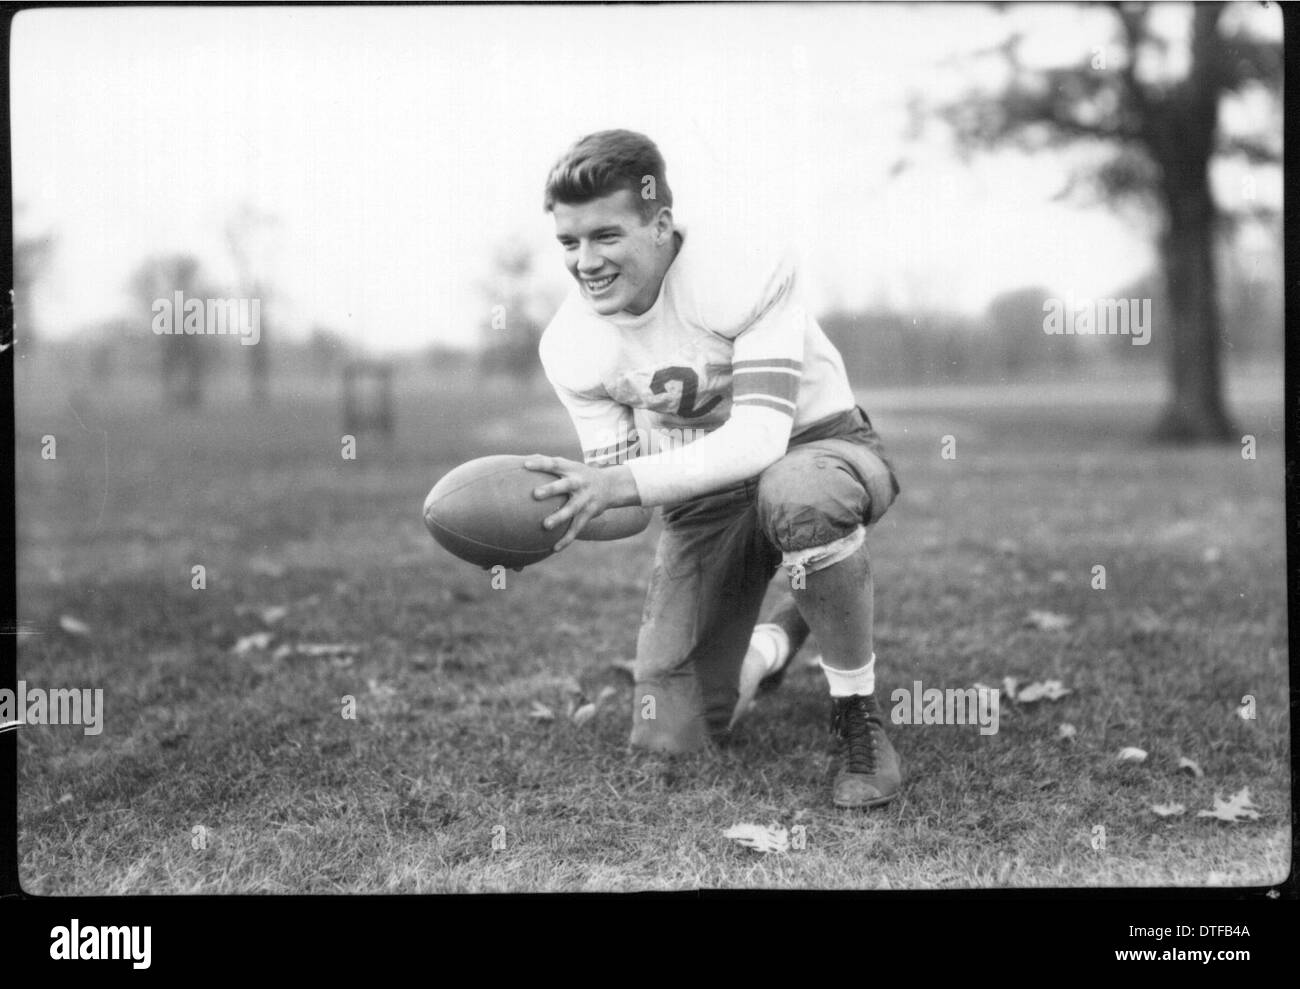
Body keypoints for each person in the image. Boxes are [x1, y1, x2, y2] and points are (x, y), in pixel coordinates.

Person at [523, 130, 902, 808]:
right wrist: (542, 520)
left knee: (800, 496)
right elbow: (628, 508)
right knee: (671, 732)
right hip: (702, 493)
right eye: (569, 243)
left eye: (606, 236)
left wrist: (615, 482)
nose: (586, 262)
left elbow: (760, 438)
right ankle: (777, 639)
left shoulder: (740, 266)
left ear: (661, 222)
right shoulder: (572, 343)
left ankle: (857, 714)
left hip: (814, 446)